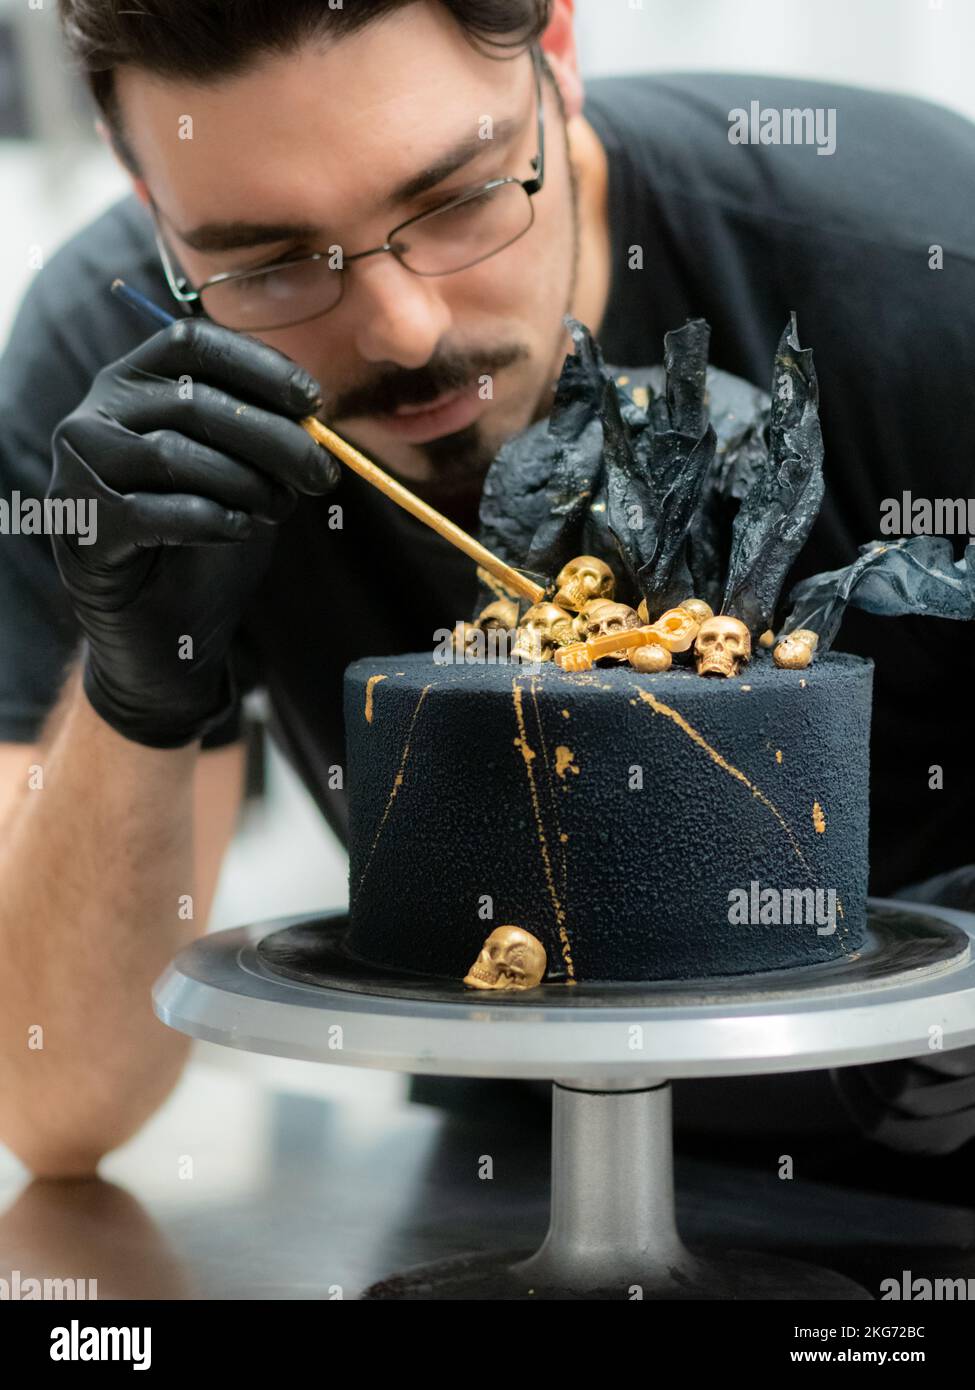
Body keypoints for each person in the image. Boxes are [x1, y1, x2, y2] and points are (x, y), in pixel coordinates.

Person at [1, 0, 973, 1177]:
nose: (406, 331)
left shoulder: (925, 276)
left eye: (458, 199)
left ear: (558, 53)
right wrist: (137, 686)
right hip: (502, 1187)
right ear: (144, 187)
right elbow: (54, 1104)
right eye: (269, 264)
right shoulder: (115, 408)